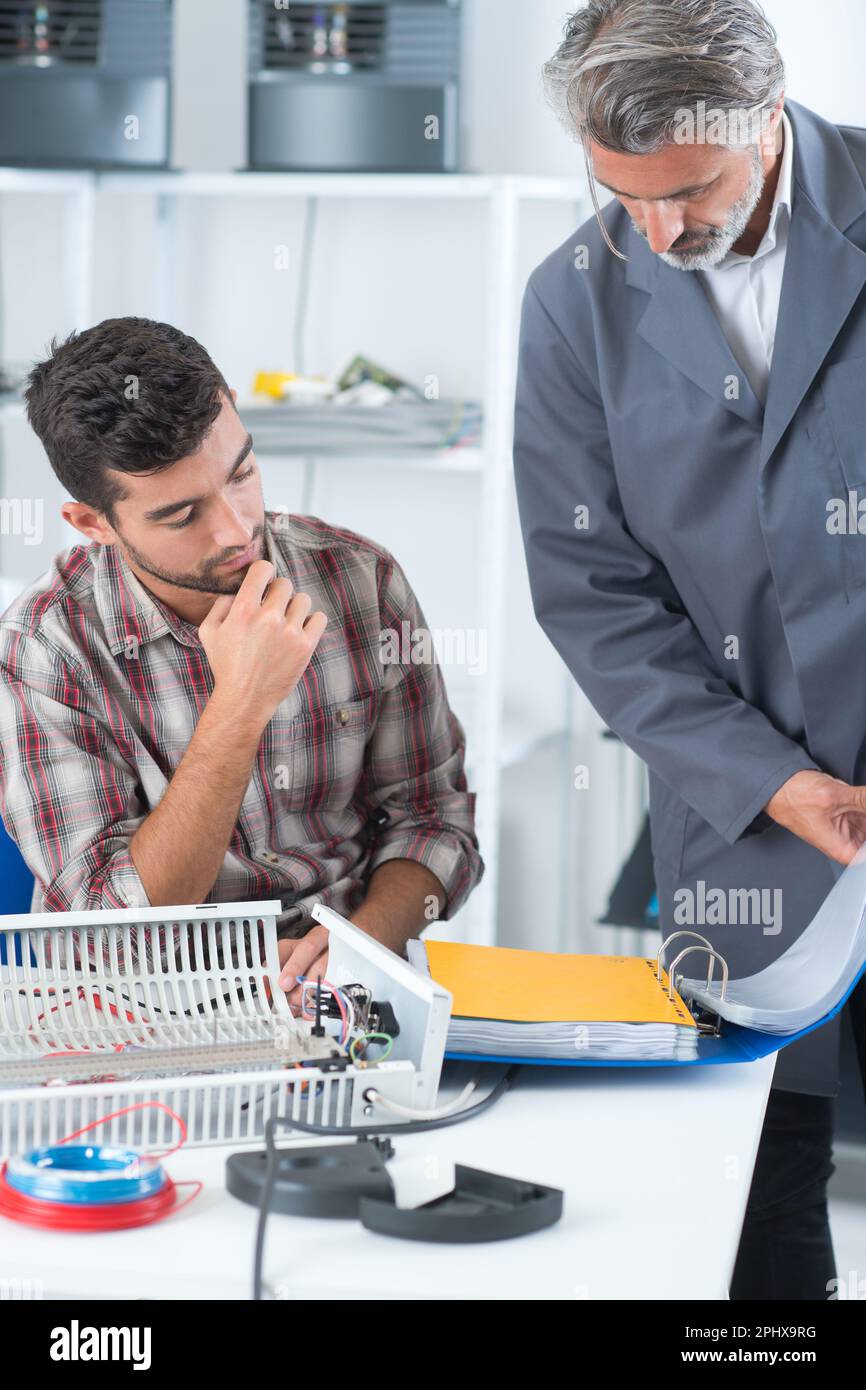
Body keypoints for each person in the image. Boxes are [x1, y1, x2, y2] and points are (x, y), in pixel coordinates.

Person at [514, 0, 866, 1298]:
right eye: (622, 195)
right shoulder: (570, 303)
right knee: (756, 1210)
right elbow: (592, 591)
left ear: (767, 119)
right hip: (751, 822)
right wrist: (768, 776)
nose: (659, 232)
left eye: (693, 190)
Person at [0, 317, 482, 1005]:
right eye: (180, 514)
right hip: (144, 1009)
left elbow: (434, 817)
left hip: (347, 986)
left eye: (242, 473)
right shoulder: (43, 648)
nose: (236, 529)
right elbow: (115, 930)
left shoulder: (359, 581)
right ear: (93, 524)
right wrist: (241, 705)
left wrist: (359, 950)